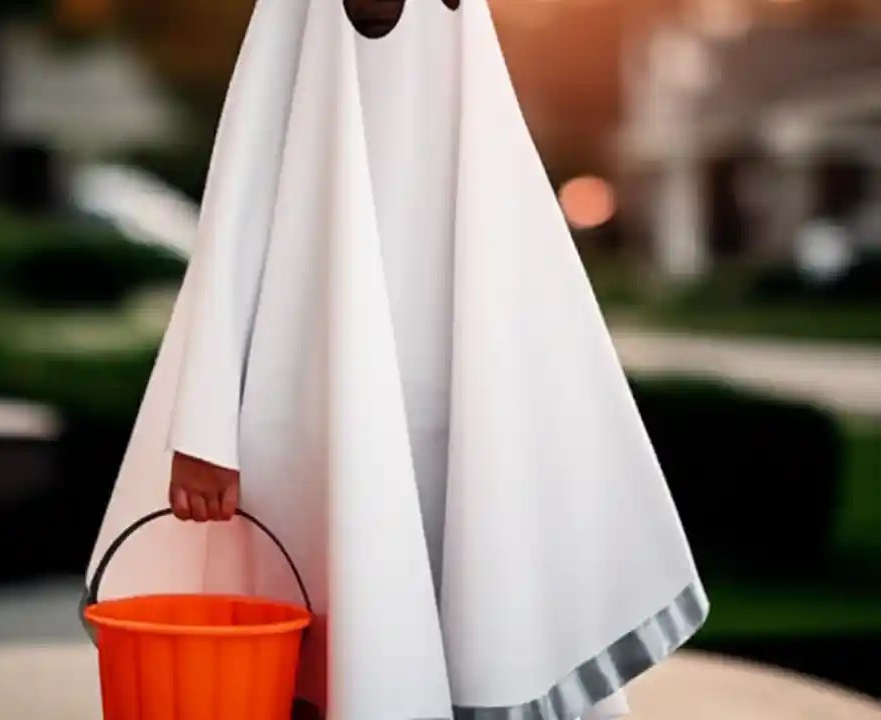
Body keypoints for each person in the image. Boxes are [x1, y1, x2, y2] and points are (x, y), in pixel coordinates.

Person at [86, 1, 707, 718]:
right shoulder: (293, 38)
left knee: (480, 599)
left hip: (463, 409)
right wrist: (205, 430)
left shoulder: (467, 84)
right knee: (342, 634)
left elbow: (532, 305)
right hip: (311, 411)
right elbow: (232, 227)